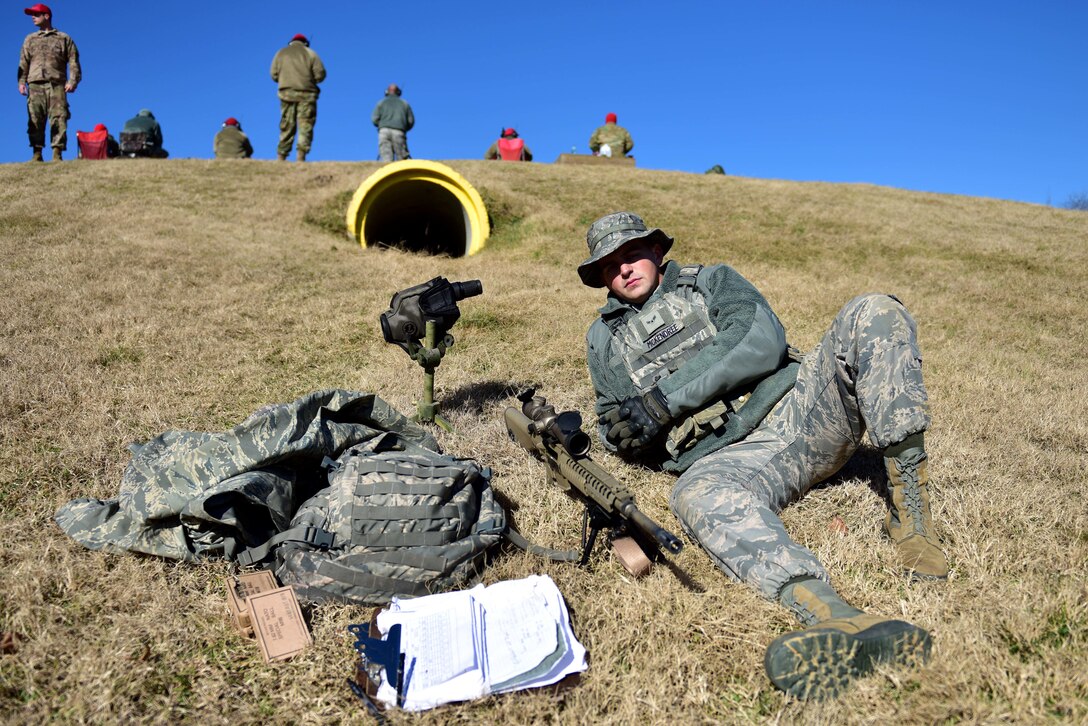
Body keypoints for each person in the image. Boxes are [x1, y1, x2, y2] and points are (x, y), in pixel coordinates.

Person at [578, 211, 949, 700]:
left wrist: (664, 399)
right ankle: (831, 614)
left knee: (874, 310)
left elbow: (760, 340)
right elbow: (612, 414)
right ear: (602, 278)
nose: (623, 270)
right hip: (731, 461)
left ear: (657, 251)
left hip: (802, 412)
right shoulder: (602, 339)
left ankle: (912, 518)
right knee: (692, 493)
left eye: (631, 255)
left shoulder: (710, 281)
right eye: (610, 266)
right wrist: (622, 435)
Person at [17, 3, 80, 162]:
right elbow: (23, 62)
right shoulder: (30, 39)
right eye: (32, 14)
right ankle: (37, 153)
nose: (33, 17)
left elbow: (73, 61)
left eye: (36, 14)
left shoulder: (64, 38)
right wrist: (21, 82)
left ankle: (57, 153)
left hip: (57, 85)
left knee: (59, 118)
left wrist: (73, 80)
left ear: (47, 16)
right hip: (35, 84)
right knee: (35, 118)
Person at [270, 33, 326, 162]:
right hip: (307, 94)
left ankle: (281, 156)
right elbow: (320, 75)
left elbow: (273, 74)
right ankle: (301, 156)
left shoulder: (281, 53)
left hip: (286, 94)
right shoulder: (311, 54)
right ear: (305, 43)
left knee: (287, 124)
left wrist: (285, 80)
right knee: (305, 125)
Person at [372, 84, 414, 162]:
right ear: (398, 92)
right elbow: (411, 121)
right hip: (399, 132)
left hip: (383, 132)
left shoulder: (381, 103)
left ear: (387, 92)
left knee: (386, 159)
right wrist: (403, 128)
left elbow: (374, 119)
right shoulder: (405, 104)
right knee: (401, 159)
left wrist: (382, 125)